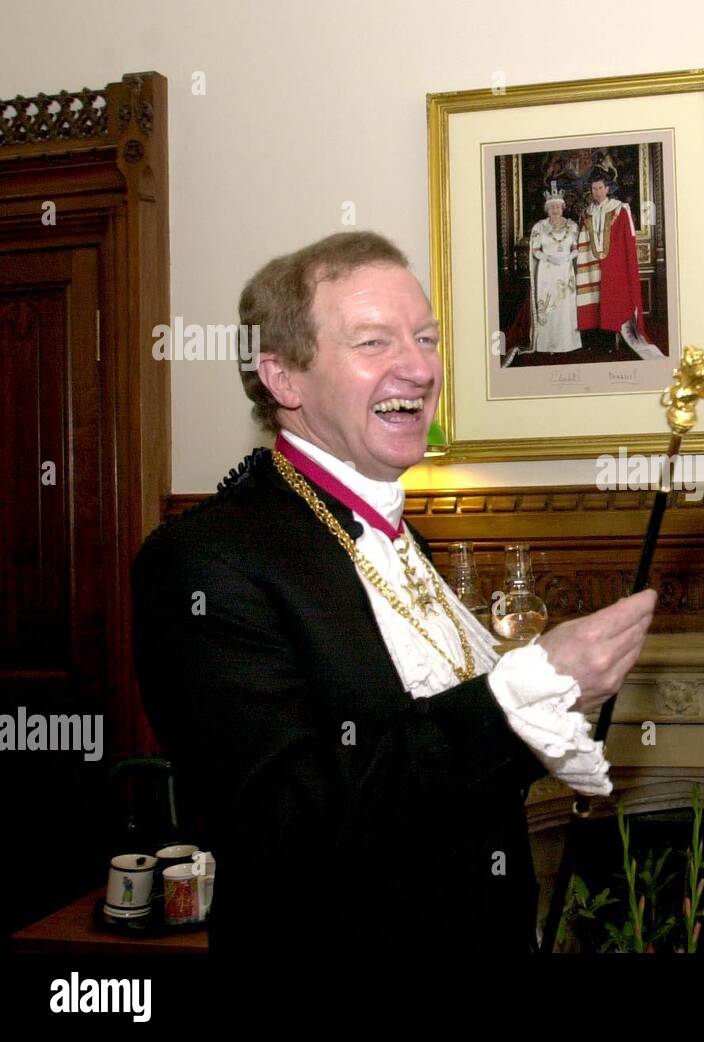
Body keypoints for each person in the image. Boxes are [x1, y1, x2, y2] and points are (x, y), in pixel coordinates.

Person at [132, 231, 656, 955]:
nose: (418, 367)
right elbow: (288, 821)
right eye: (374, 343)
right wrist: (525, 691)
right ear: (284, 378)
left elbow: (443, 776)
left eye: (427, 337)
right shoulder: (203, 559)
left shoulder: (405, 540)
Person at [576, 172, 645, 353]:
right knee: (592, 299)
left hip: (613, 264)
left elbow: (627, 239)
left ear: (607, 189)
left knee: (609, 300)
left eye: (600, 188)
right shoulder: (586, 212)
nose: (597, 192)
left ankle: (608, 342)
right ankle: (591, 340)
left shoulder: (620, 209)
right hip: (590, 263)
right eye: (593, 189)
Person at [528, 186, 582, 354]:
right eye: (552, 207)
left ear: (563, 207)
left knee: (565, 307)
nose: (555, 210)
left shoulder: (572, 226)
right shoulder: (539, 227)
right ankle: (548, 344)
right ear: (547, 209)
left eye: (558, 206)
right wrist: (548, 258)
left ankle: (567, 343)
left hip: (565, 270)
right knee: (549, 305)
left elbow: (577, 248)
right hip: (547, 271)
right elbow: (535, 251)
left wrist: (569, 257)